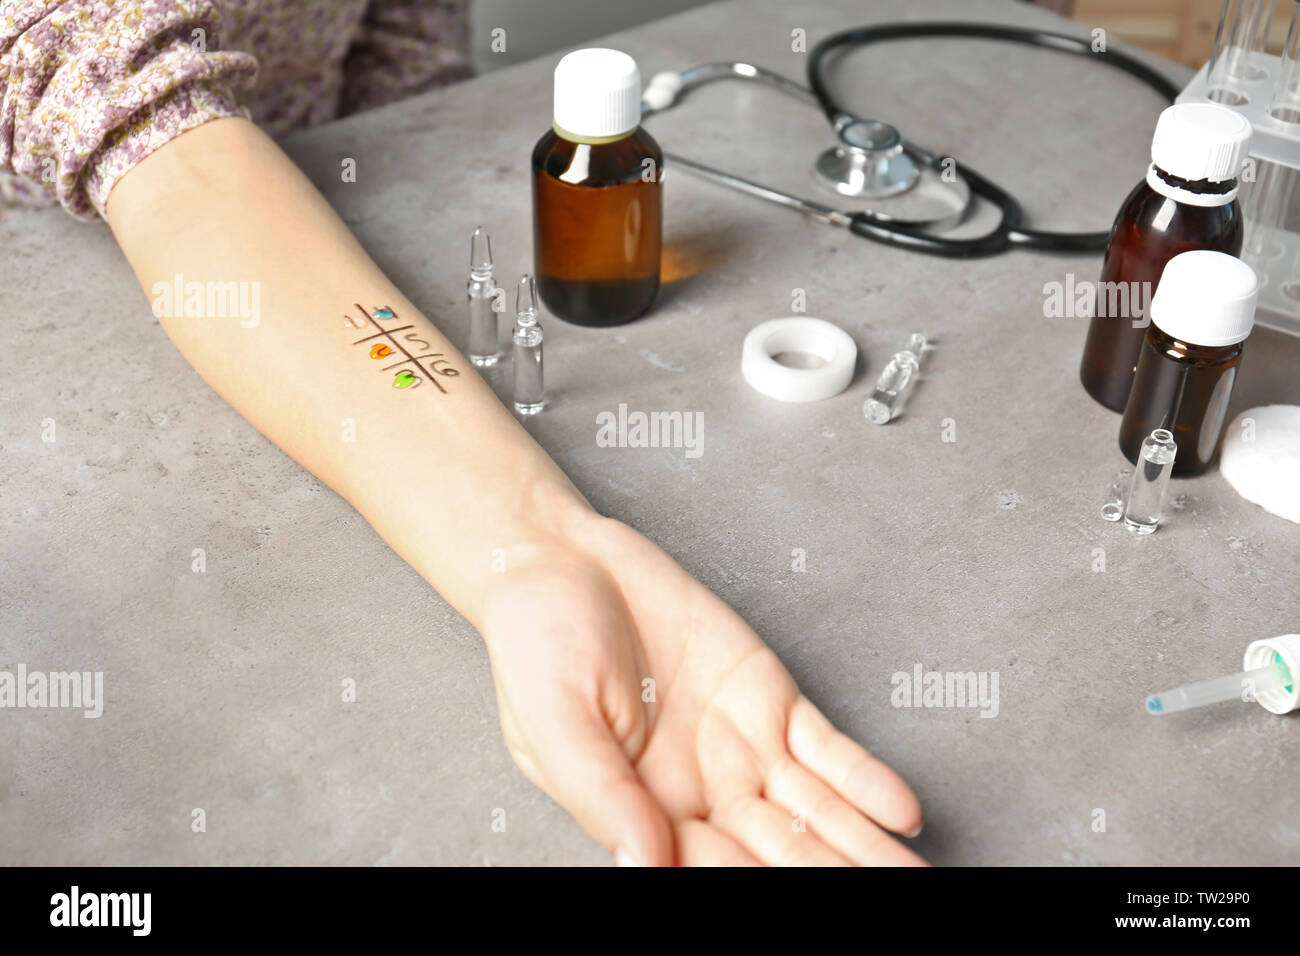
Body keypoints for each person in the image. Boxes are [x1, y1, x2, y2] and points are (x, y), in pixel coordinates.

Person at [1, 1, 925, 866]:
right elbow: (146, 125)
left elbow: (399, 37)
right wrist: (530, 549)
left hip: (343, 194)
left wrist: (401, 148)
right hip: (88, 271)